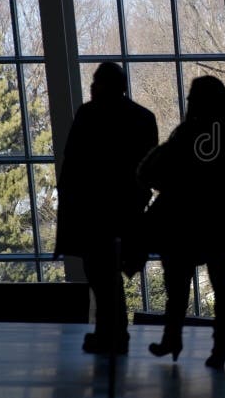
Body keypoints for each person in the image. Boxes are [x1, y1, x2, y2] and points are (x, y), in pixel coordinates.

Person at [137, 76, 225, 368]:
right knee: (220, 278)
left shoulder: (186, 133)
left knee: (178, 282)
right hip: (220, 217)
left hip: (181, 218)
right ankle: (220, 343)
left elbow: (155, 170)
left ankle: (173, 337)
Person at [54, 62, 158, 355]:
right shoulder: (143, 118)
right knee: (110, 272)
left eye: (95, 83)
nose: (91, 87)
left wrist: (70, 199)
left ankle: (109, 332)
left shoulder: (88, 115)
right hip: (126, 211)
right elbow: (146, 168)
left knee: (100, 274)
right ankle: (113, 333)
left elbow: (73, 162)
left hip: (92, 211)